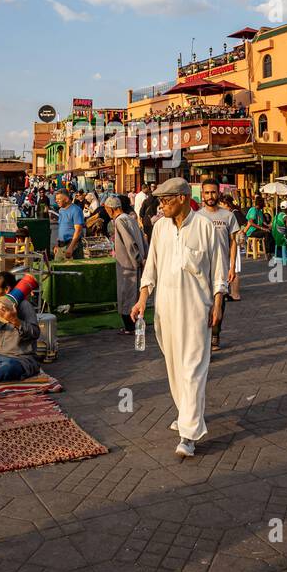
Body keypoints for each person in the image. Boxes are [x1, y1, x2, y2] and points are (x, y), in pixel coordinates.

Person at [131, 177, 228, 459]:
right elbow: (152, 268)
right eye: (160, 200)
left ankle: (189, 433)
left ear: (183, 198)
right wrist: (142, 299)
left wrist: (218, 303)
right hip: (166, 309)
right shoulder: (160, 227)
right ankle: (186, 412)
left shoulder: (206, 227)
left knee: (193, 368)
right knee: (174, 366)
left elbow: (220, 270)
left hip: (197, 308)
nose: (162, 205)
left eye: (166, 200)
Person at [197, 178, 238, 350]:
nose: (210, 196)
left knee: (219, 301)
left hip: (221, 266)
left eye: (213, 192)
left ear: (219, 193)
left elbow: (233, 241)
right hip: (202, 267)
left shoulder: (228, 216)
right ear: (202, 195)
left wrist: (232, 266)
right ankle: (203, 338)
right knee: (201, 303)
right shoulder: (196, 217)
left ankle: (215, 333)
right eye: (207, 193)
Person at [105, 195, 146, 334]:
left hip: (128, 265)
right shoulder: (130, 219)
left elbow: (129, 243)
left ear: (111, 209)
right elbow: (142, 238)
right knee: (133, 295)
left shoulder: (120, 221)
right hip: (135, 262)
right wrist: (143, 258)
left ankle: (130, 327)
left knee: (127, 296)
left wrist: (138, 258)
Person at [54, 189, 85, 260]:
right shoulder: (61, 210)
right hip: (61, 246)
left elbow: (78, 231)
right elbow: (61, 228)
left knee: (72, 269)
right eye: (56, 199)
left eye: (59, 199)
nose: (56, 201)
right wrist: (57, 245)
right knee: (57, 268)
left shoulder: (76, 210)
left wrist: (71, 247)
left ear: (66, 199)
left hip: (71, 245)